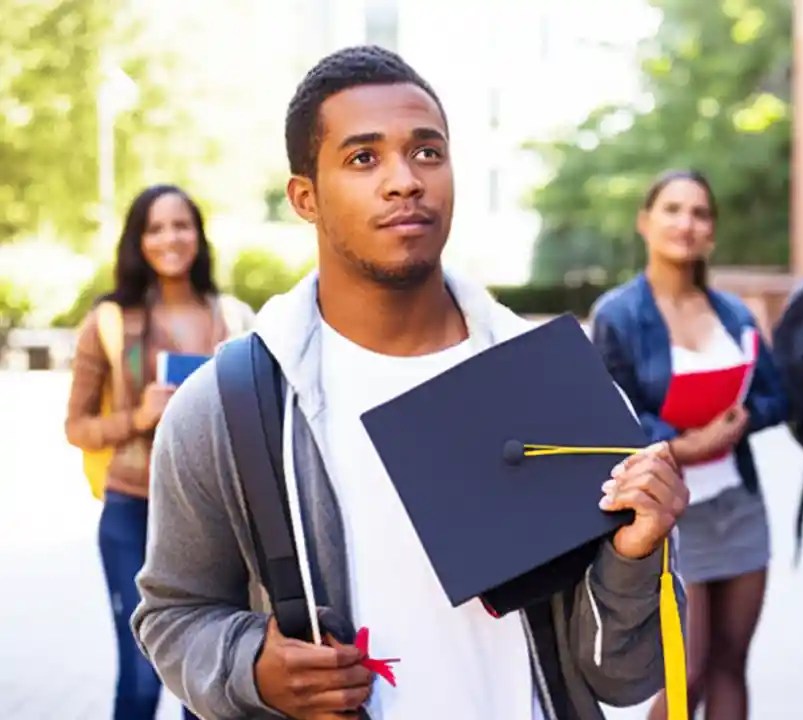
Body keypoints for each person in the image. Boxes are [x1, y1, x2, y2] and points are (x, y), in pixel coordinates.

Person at [130, 45, 688, 720]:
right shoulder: (228, 407)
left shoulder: (557, 382)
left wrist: (636, 555)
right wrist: (252, 667)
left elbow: (624, 679)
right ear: (305, 196)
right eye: (363, 158)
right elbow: (173, 613)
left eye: (427, 152)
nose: (405, 180)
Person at [589, 169, 789, 720]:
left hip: (738, 505)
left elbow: (778, 396)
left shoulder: (734, 314)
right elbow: (606, 419)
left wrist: (739, 421)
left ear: (712, 233)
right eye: (673, 209)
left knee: (731, 663)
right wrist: (682, 446)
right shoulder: (619, 315)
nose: (687, 223)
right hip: (673, 515)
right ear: (645, 222)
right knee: (686, 671)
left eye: (700, 213)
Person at [63, 183, 254, 720]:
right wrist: (138, 418)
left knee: (209, 680)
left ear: (198, 235)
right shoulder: (107, 322)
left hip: (216, 518)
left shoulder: (235, 321)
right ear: (138, 240)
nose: (170, 238)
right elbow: (76, 426)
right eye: (156, 227)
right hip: (133, 512)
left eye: (181, 225)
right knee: (143, 679)